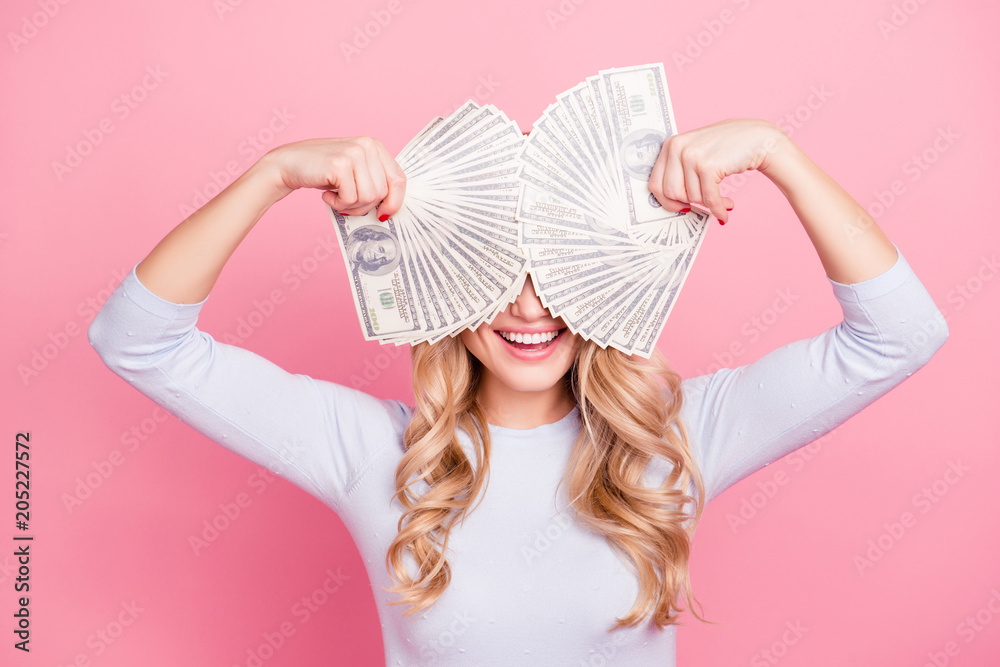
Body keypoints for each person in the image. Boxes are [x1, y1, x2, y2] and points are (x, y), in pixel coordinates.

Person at [88, 120, 949, 666]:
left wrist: (777, 153)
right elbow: (137, 340)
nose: (530, 305)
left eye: (557, 275)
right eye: (499, 274)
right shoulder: (369, 451)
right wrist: (273, 172)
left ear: (604, 286)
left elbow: (902, 333)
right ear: (449, 294)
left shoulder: (679, 438)